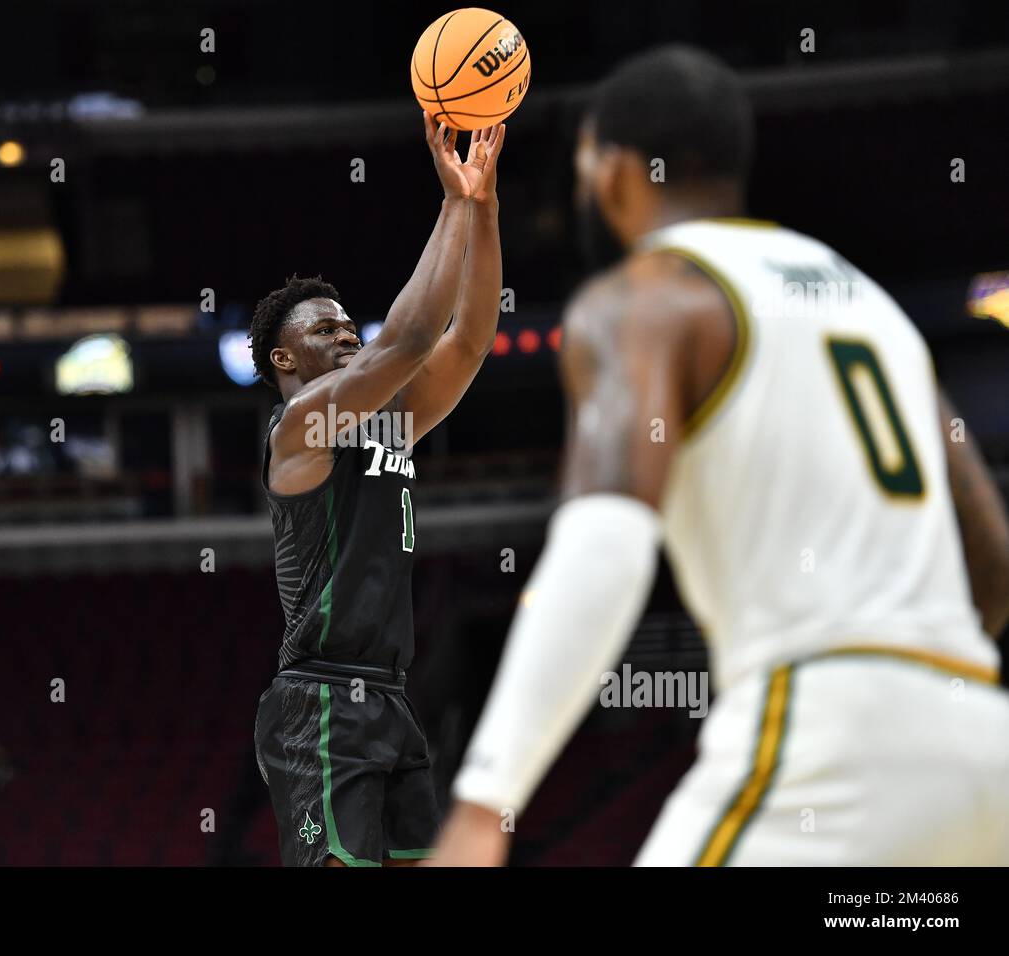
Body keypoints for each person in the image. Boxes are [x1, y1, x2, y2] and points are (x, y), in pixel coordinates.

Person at [432, 45, 1009, 866]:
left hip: (825, 741)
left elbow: (605, 545)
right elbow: (990, 569)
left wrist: (484, 803)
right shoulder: (868, 303)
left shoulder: (644, 298)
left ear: (620, 172)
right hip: (984, 743)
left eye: (586, 164)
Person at [251, 115, 505, 866]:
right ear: (283, 358)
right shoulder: (298, 428)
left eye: (349, 325)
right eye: (326, 330)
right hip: (320, 701)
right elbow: (412, 338)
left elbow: (467, 340)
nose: (348, 334)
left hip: (389, 696)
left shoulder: (389, 422)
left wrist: (485, 207)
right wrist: (451, 203)